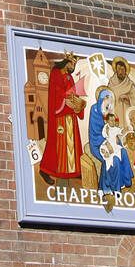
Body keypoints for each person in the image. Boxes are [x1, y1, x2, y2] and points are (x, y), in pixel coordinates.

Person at [39, 52, 86, 184]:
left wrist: (79, 104)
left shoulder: (70, 77)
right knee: (56, 145)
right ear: (66, 62)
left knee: (73, 144)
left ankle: (74, 172)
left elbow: (73, 93)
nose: (73, 66)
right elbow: (57, 92)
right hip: (60, 114)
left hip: (70, 115)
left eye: (75, 64)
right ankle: (45, 170)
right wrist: (67, 98)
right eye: (72, 63)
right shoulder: (56, 73)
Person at [89, 87, 133, 193]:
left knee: (123, 152)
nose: (109, 104)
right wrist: (106, 143)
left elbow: (114, 129)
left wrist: (118, 137)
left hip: (111, 143)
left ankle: (125, 181)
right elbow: (95, 132)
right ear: (104, 98)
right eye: (108, 101)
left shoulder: (108, 111)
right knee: (113, 160)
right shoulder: (94, 110)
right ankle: (107, 187)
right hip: (98, 143)